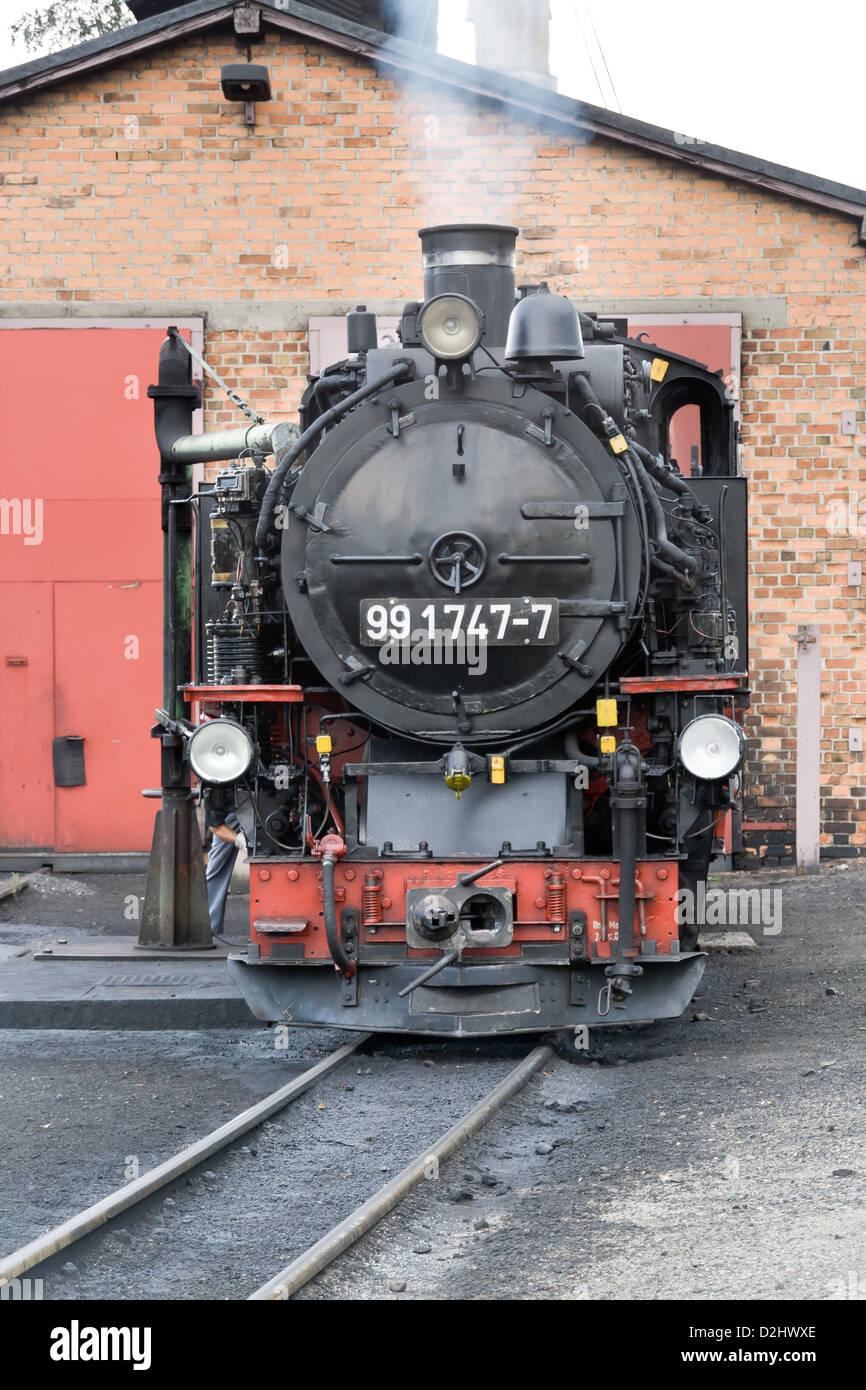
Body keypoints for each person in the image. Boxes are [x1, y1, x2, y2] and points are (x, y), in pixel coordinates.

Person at [204, 811, 245, 938]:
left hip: (254, 798)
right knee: (218, 863)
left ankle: (208, 924)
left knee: (218, 864)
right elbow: (214, 825)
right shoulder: (219, 802)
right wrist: (239, 839)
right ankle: (207, 925)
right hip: (233, 804)